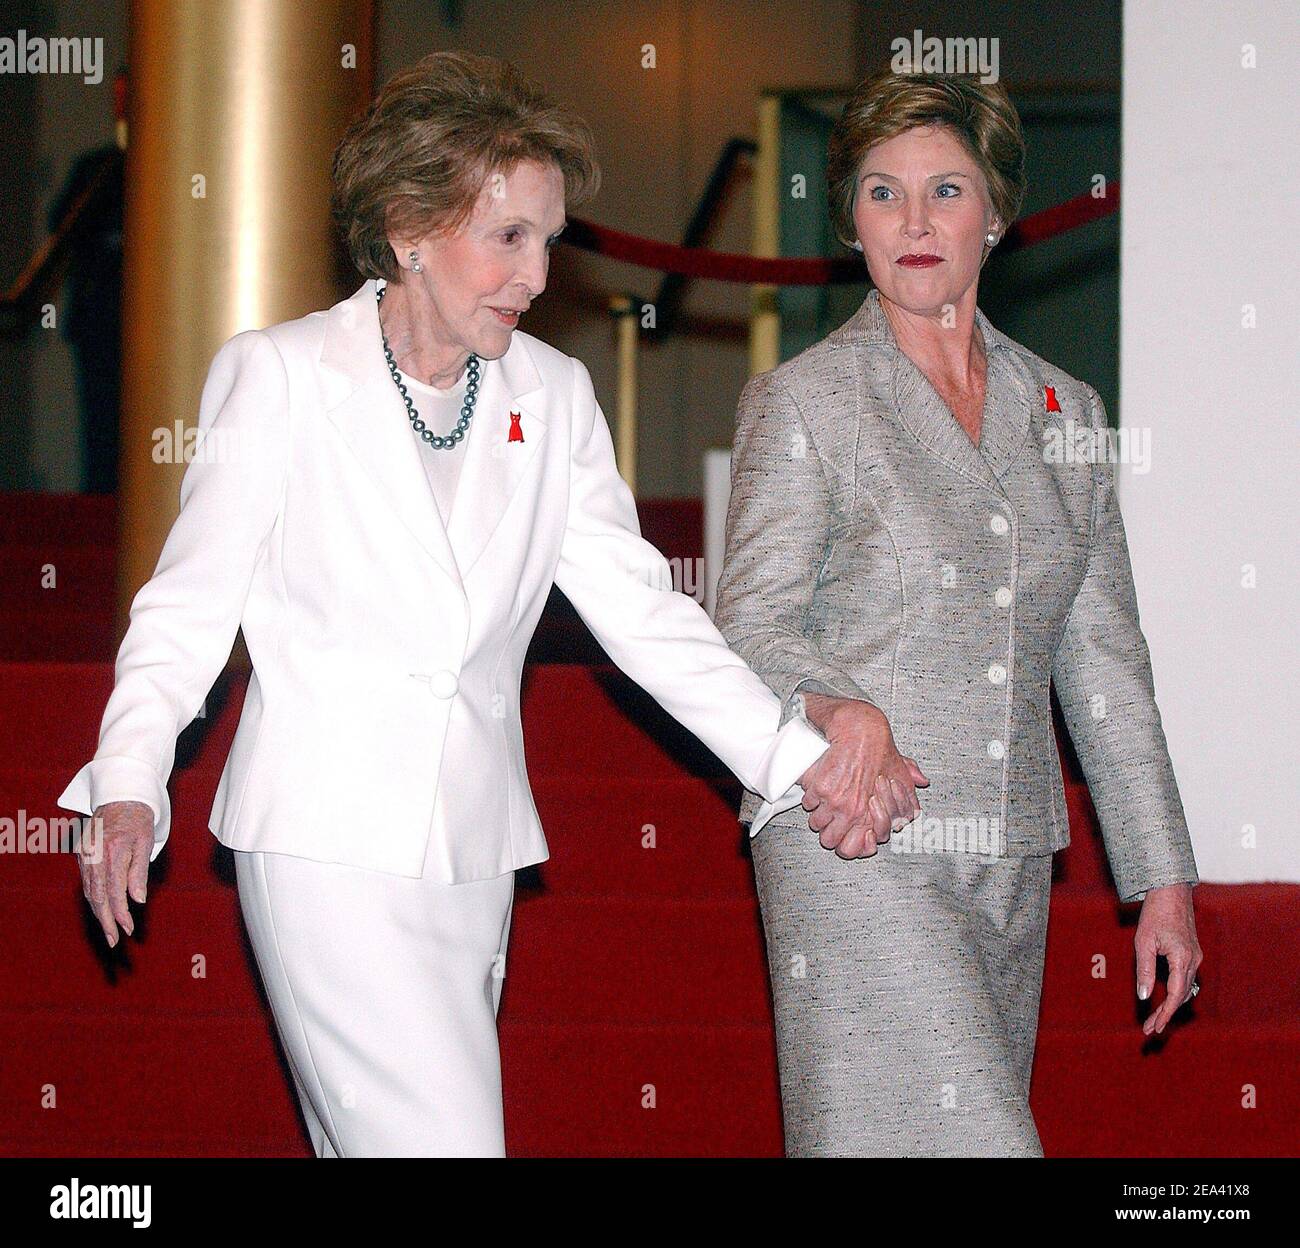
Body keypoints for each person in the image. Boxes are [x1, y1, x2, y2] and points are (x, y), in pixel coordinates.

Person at [60, 51, 914, 1157]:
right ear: (411, 228)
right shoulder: (277, 377)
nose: (535, 272)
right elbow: (184, 610)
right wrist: (128, 781)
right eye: (508, 237)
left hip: (473, 856)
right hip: (325, 848)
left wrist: (794, 760)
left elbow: (644, 615)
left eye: (548, 240)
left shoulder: (550, 396)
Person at [713, 68, 1202, 1157]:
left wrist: (1159, 880)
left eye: (946, 190)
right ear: (851, 221)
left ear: (997, 211)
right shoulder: (808, 399)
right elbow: (745, 624)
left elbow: (1104, 660)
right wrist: (840, 708)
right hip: (851, 831)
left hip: (1011, 848)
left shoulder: (1064, 409)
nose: (915, 221)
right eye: (882, 193)